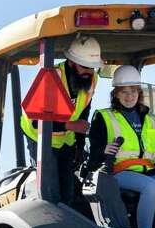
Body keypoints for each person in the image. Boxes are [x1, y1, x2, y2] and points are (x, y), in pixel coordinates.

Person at [86, 65, 155, 228]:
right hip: (117, 171)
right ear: (116, 93)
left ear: (139, 93)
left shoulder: (152, 120)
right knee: (149, 186)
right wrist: (103, 151)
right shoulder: (103, 116)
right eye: (124, 91)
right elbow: (94, 150)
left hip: (149, 171)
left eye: (133, 91)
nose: (129, 96)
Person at [19, 35, 102, 212]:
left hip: (66, 140)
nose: (89, 71)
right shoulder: (52, 77)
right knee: (50, 191)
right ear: (71, 62)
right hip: (40, 138)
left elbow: (83, 111)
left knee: (67, 192)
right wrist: (71, 126)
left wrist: (80, 146)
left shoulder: (91, 79)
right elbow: (36, 123)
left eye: (92, 67)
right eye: (84, 66)